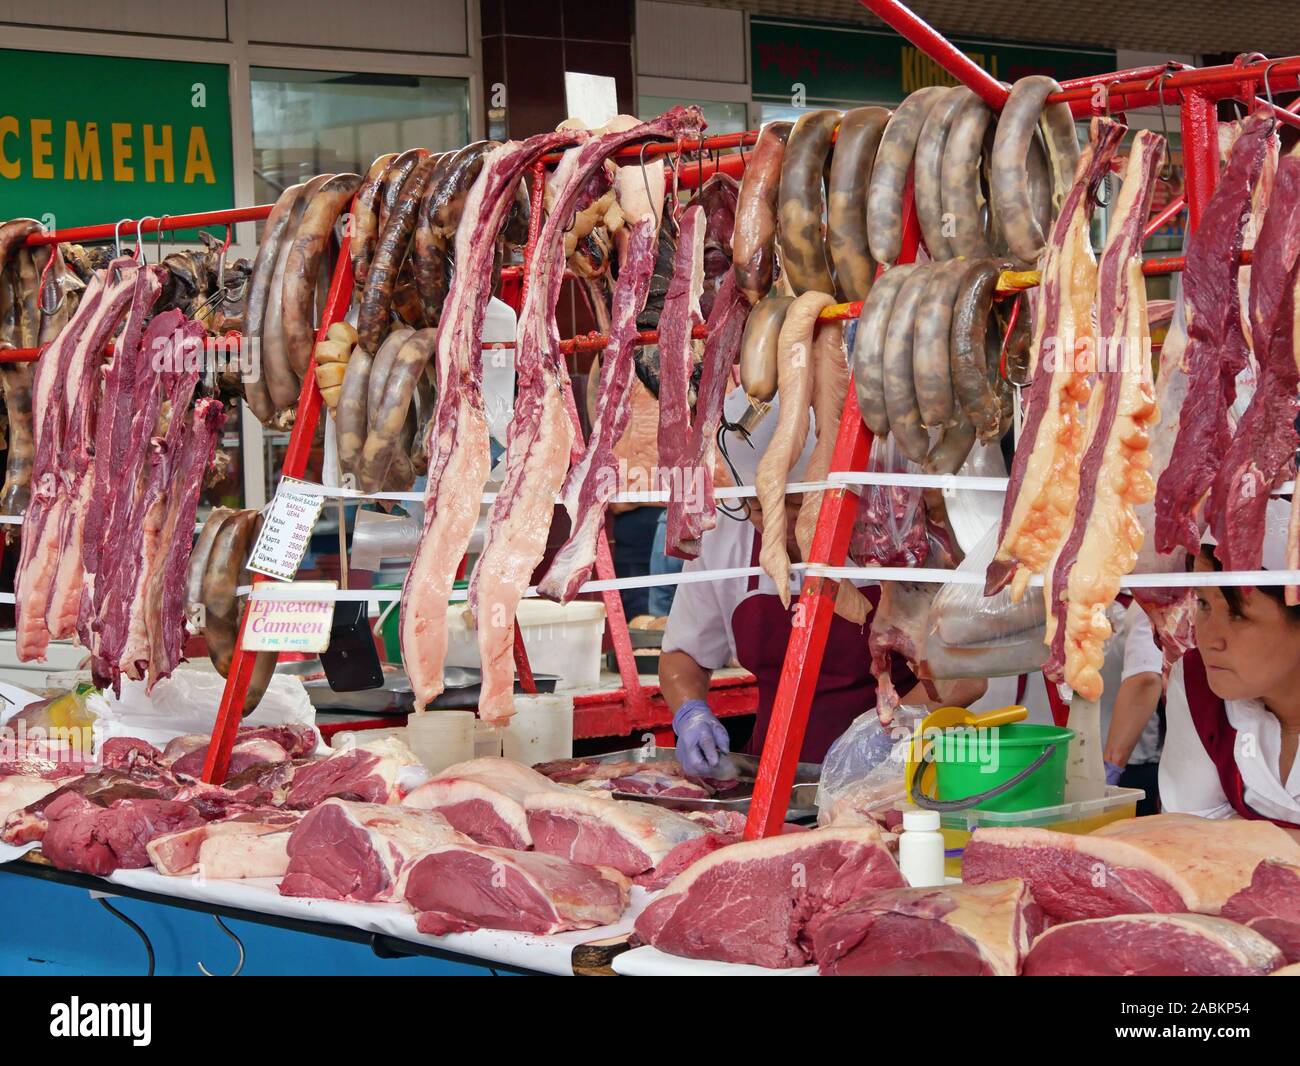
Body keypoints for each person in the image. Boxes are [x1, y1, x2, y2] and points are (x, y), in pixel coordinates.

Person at [659, 387, 985, 774]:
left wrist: (880, 737)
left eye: (795, 505)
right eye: (758, 506)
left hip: (899, 773)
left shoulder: (893, 533)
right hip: (772, 775)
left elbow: (964, 676)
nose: (772, 521)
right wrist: (691, 713)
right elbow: (683, 657)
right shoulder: (726, 534)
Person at [1158, 499, 1300, 829]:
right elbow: (1191, 835)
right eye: (1205, 605)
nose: (1210, 639)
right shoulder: (1197, 684)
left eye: (1238, 615)